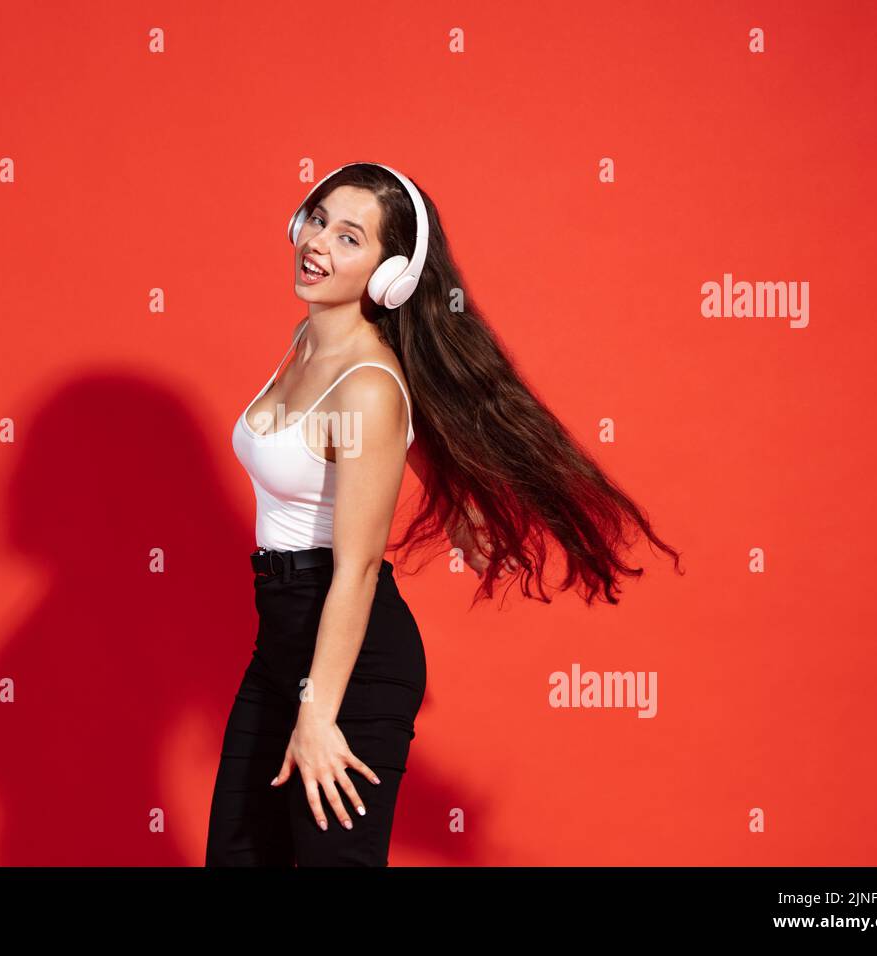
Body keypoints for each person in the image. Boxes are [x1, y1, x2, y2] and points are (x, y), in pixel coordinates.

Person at [204, 162, 683, 867]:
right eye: (317, 219)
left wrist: (318, 712)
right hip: (277, 640)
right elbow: (403, 434)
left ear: (389, 275)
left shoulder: (366, 386)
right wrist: (460, 497)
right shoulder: (308, 342)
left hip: (350, 657)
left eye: (349, 237)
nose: (318, 243)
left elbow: (359, 568)